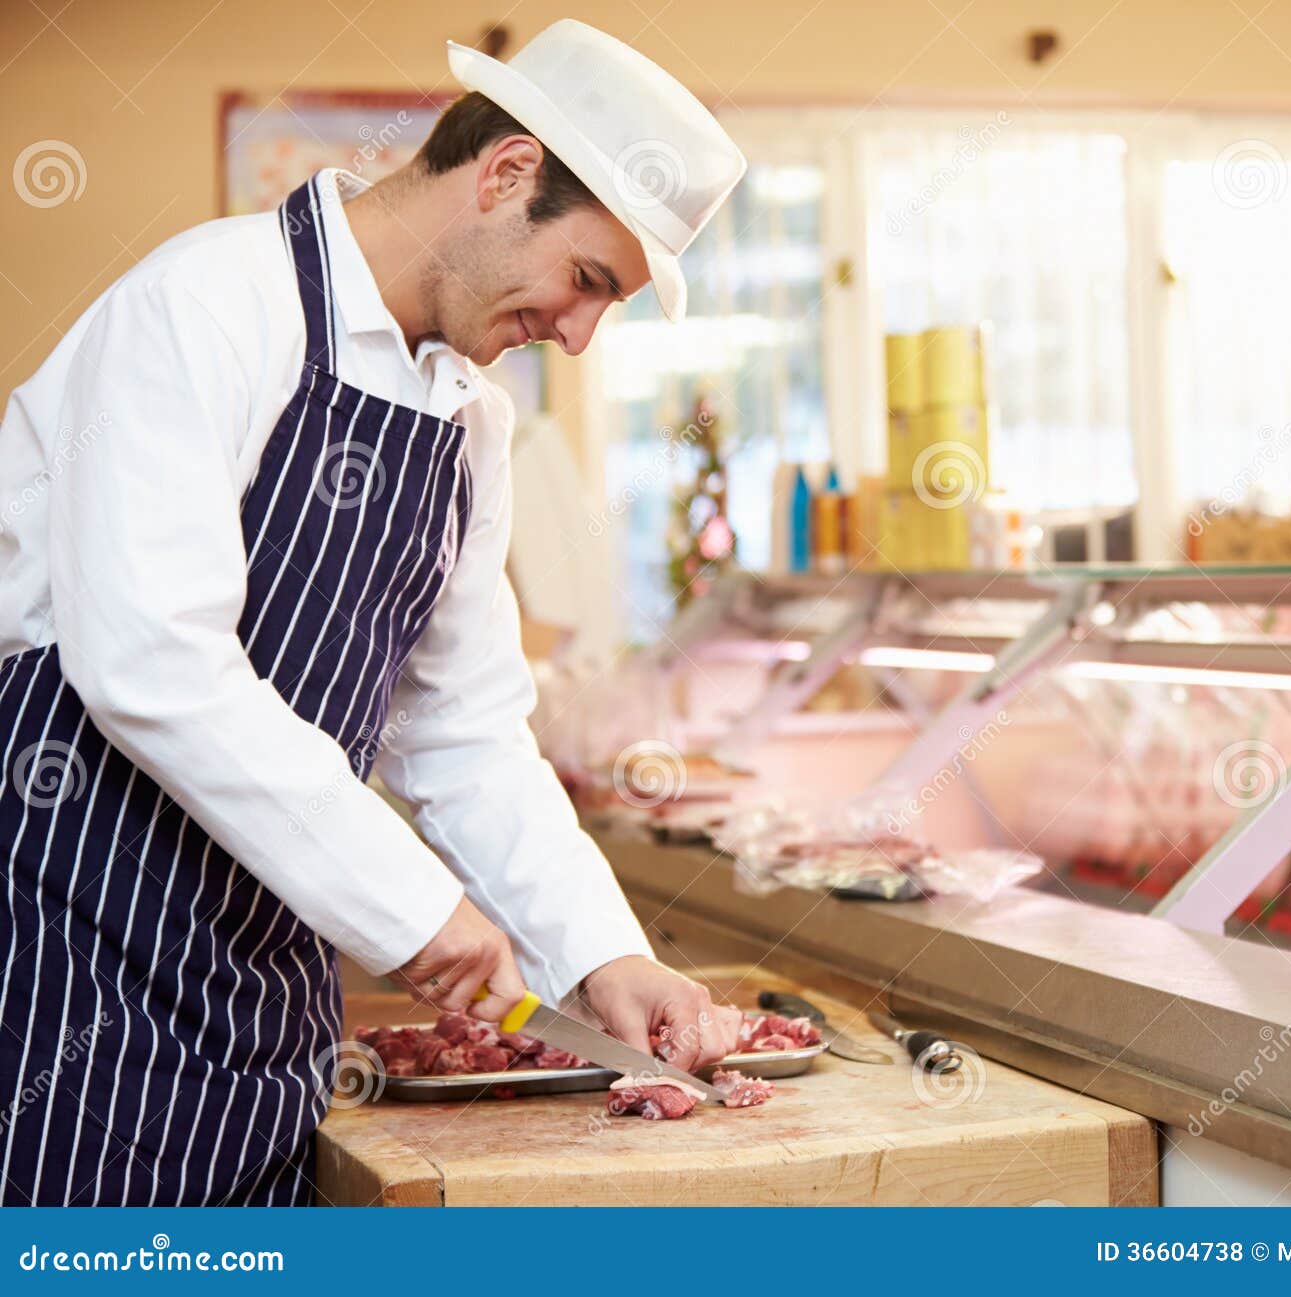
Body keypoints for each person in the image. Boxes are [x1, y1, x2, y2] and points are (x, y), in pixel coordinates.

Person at [0, 19, 747, 1205]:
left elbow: (465, 734)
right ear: (506, 176)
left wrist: (607, 954)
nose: (578, 333)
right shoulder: (203, 306)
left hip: (268, 998)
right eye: (589, 280)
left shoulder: (469, 425)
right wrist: (409, 904)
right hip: (67, 961)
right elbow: (149, 663)